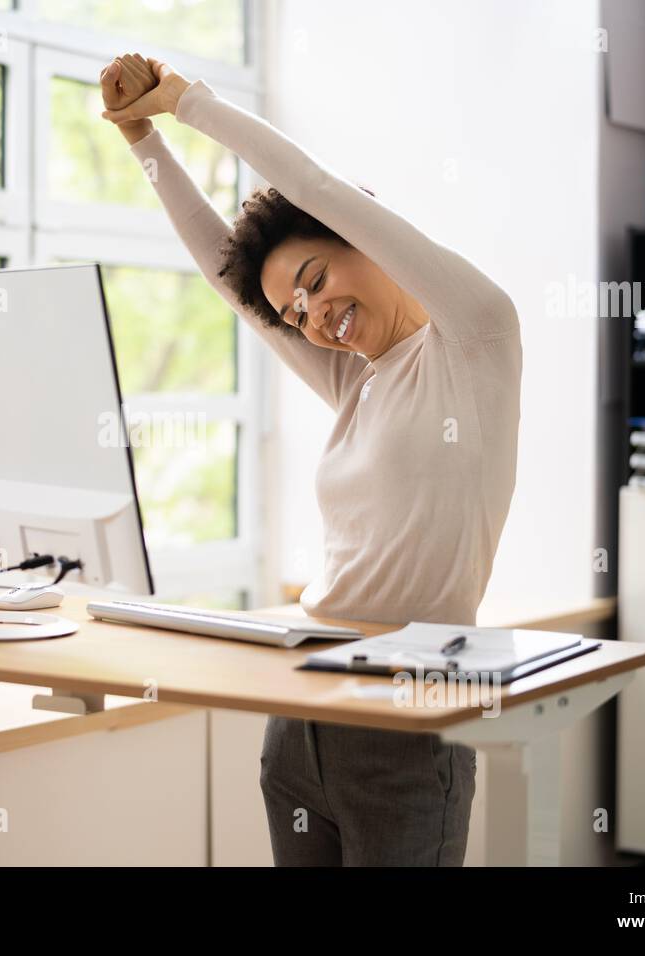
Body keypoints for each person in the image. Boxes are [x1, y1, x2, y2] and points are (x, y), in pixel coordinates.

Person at [98, 54, 522, 866]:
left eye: (316, 278)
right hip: (299, 720)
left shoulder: (476, 336)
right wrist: (141, 138)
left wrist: (189, 103)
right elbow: (232, 286)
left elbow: (318, 188)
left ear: (360, 233)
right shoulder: (354, 381)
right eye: (297, 310)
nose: (313, 315)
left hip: (405, 724)